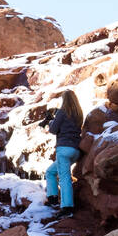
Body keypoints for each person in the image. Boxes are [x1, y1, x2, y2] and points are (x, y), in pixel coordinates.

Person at [43, 89, 84, 217]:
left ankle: (67, 207)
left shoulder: (62, 112)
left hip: (64, 149)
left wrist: (49, 121)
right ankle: (52, 198)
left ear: (64, 100)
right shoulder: (79, 113)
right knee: (50, 172)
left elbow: (54, 130)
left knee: (65, 177)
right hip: (75, 150)